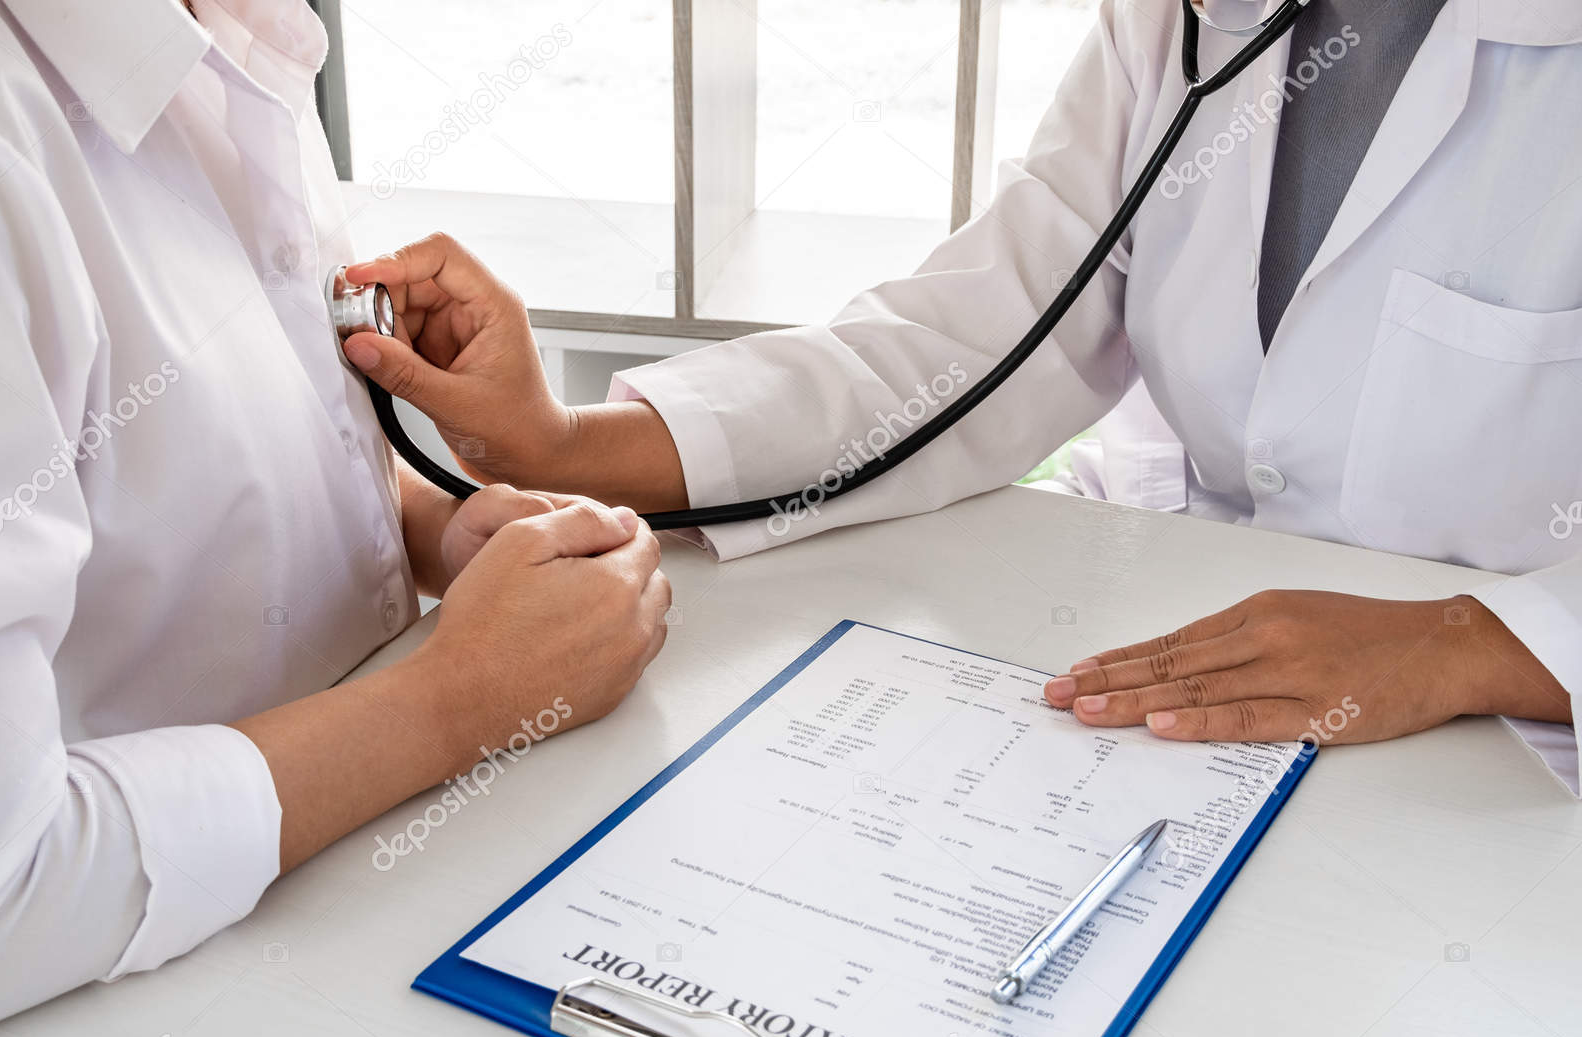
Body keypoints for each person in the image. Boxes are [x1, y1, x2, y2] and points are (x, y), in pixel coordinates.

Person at [344, 0, 1580, 788]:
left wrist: (1472, 644)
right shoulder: (1187, 23)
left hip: (1516, 769)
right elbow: (971, 339)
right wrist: (562, 440)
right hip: (1198, 724)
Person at [0, 0, 669, 1026]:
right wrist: (464, 697)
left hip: (361, 899)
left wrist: (439, 531)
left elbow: (173, 475)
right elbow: (0, 902)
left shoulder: (233, 36)